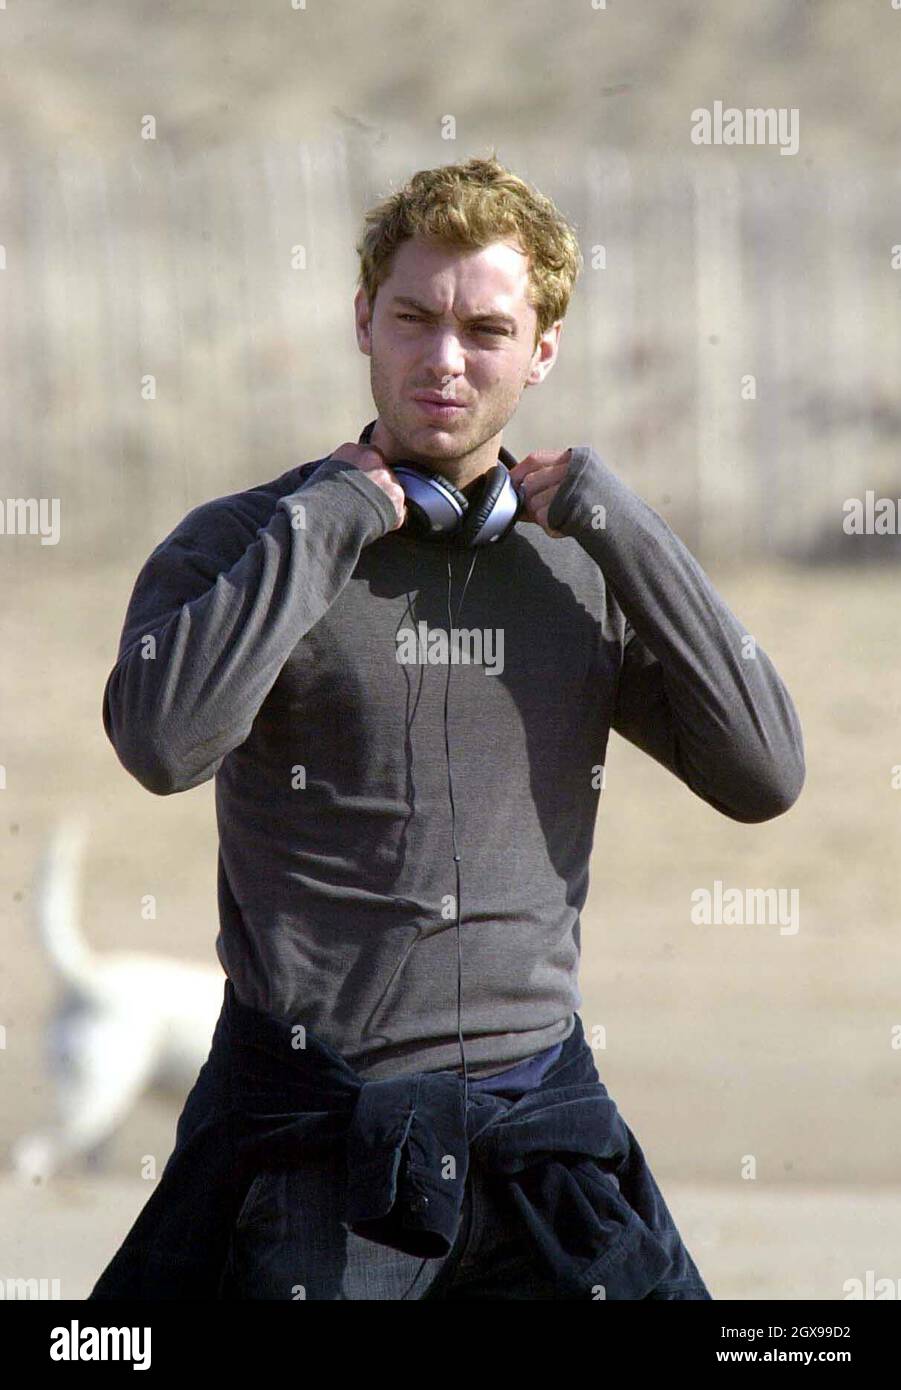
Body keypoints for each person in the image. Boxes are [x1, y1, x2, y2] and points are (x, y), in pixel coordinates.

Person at [91, 154, 805, 1300]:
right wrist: (326, 523)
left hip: (542, 1129)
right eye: (413, 318)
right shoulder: (240, 542)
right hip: (314, 1134)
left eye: (485, 328)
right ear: (362, 319)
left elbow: (765, 771)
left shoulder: (583, 564)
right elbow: (163, 745)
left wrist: (619, 522)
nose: (443, 359)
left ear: (543, 348)